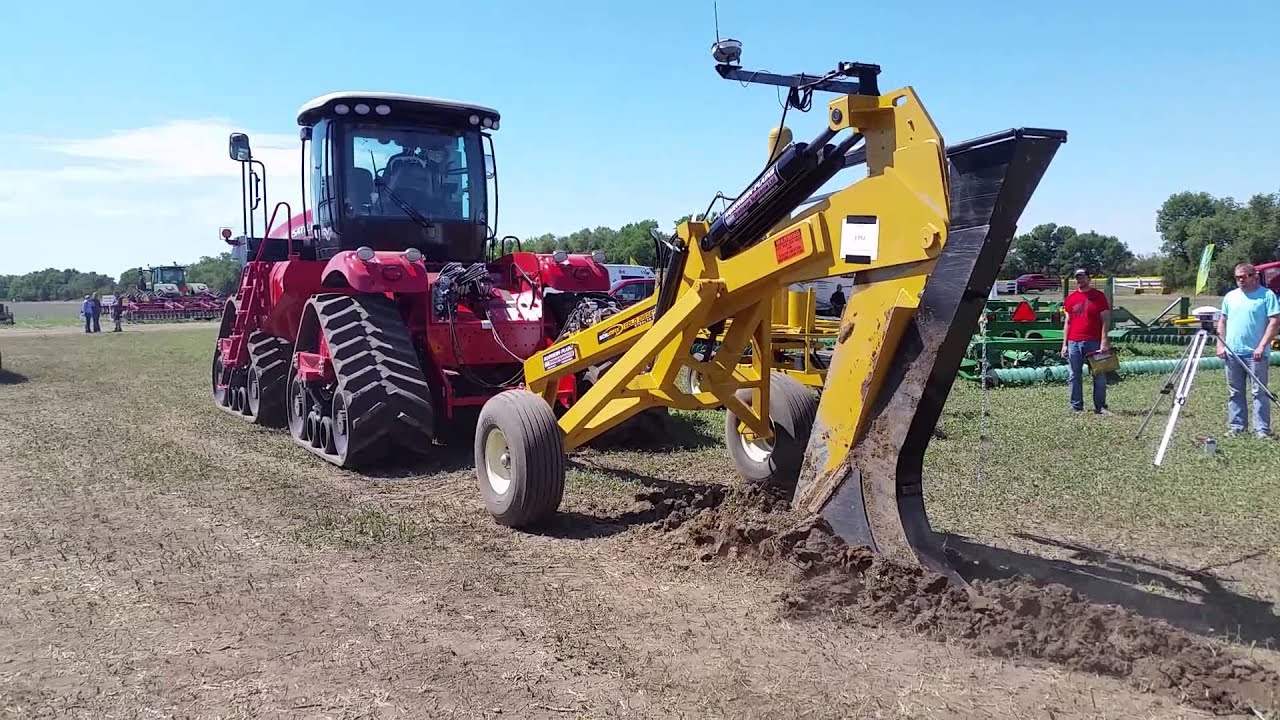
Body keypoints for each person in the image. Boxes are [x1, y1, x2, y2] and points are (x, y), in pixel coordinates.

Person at [1215, 262, 1280, 438]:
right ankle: (1237, 427)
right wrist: (1220, 344)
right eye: (1237, 278)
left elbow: (1274, 322)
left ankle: (1262, 430)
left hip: (1256, 354)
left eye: (1243, 277)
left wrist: (1262, 345)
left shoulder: (1267, 296)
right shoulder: (1230, 296)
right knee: (1235, 392)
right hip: (1232, 352)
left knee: (1259, 392)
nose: (1240, 280)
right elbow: (1222, 321)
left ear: (1254, 276)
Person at [1060, 268, 1111, 414]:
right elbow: (1068, 322)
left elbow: (1105, 320)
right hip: (1074, 342)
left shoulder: (1098, 296)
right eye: (1077, 278)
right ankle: (1076, 406)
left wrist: (1104, 341)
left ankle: (1100, 406)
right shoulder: (1071, 298)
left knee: (1099, 375)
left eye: (1082, 277)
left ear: (1089, 279)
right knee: (1074, 375)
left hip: (1094, 341)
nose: (1080, 280)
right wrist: (1064, 344)